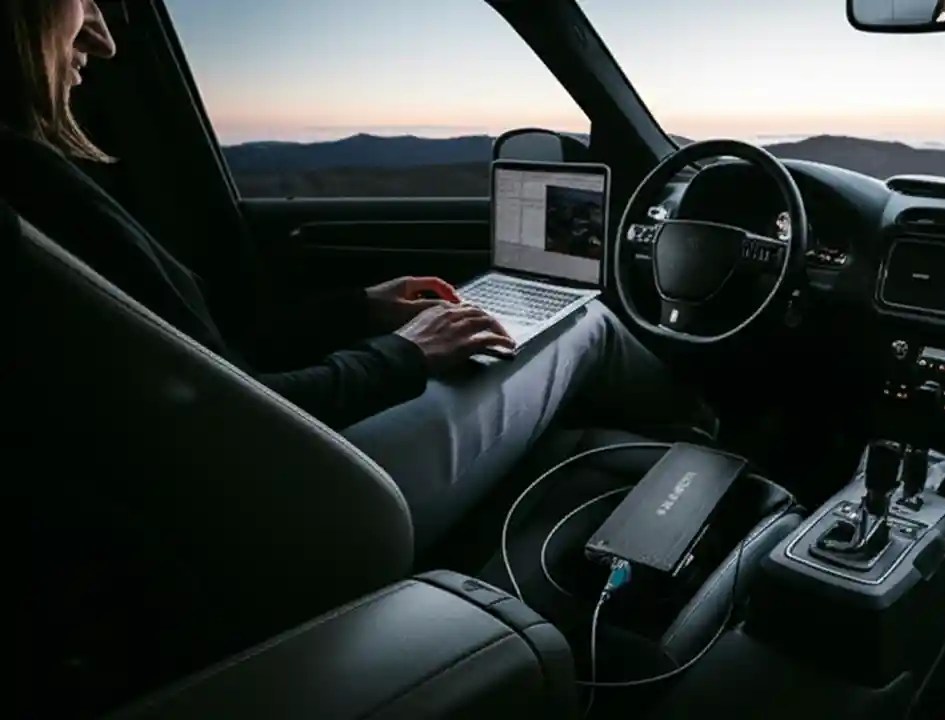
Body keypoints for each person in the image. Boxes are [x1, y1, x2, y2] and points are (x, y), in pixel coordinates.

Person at [1, 0, 713, 554]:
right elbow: (216, 423)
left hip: (245, 482)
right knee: (582, 319)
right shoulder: (25, 196)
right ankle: (716, 440)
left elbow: (200, 362)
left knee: (520, 328)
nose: (101, 36)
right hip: (295, 513)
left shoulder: (39, 190)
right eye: (81, 0)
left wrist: (358, 312)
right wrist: (403, 355)